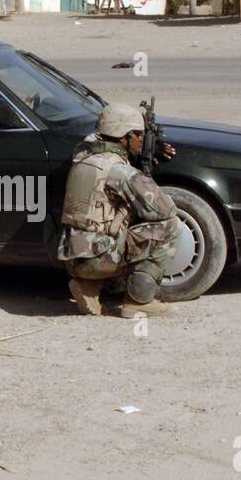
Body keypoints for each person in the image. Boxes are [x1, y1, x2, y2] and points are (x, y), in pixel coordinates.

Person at [57, 102, 180, 318]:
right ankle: (138, 301)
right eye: (138, 135)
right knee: (170, 226)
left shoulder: (81, 158)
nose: (141, 141)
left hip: (70, 256)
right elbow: (163, 210)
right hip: (99, 259)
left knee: (103, 225)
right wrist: (144, 179)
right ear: (124, 137)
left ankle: (88, 287)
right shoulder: (120, 172)